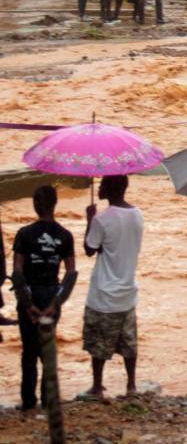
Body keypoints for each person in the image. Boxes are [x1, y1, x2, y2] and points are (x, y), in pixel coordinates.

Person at [12, 186, 78, 411]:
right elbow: (70, 273)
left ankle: (28, 401)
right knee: (47, 348)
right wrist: (55, 304)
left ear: (35, 204)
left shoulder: (24, 234)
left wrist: (27, 304)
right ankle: (49, 399)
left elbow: (18, 271)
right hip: (52, 293)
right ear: (55, 204)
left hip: (28, 292)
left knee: (29, 350)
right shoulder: (65, 235)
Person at [82, 175, 145, 401]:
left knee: (98, 344)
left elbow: (90, 249)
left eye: (102, 184)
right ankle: (131, 385)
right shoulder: (138, 215)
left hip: (104, 292)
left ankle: (98, 386)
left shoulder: (102, 219)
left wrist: (90, 219)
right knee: (129, 343)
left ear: (109, 188)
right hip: (127, 290)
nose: (98, 187)